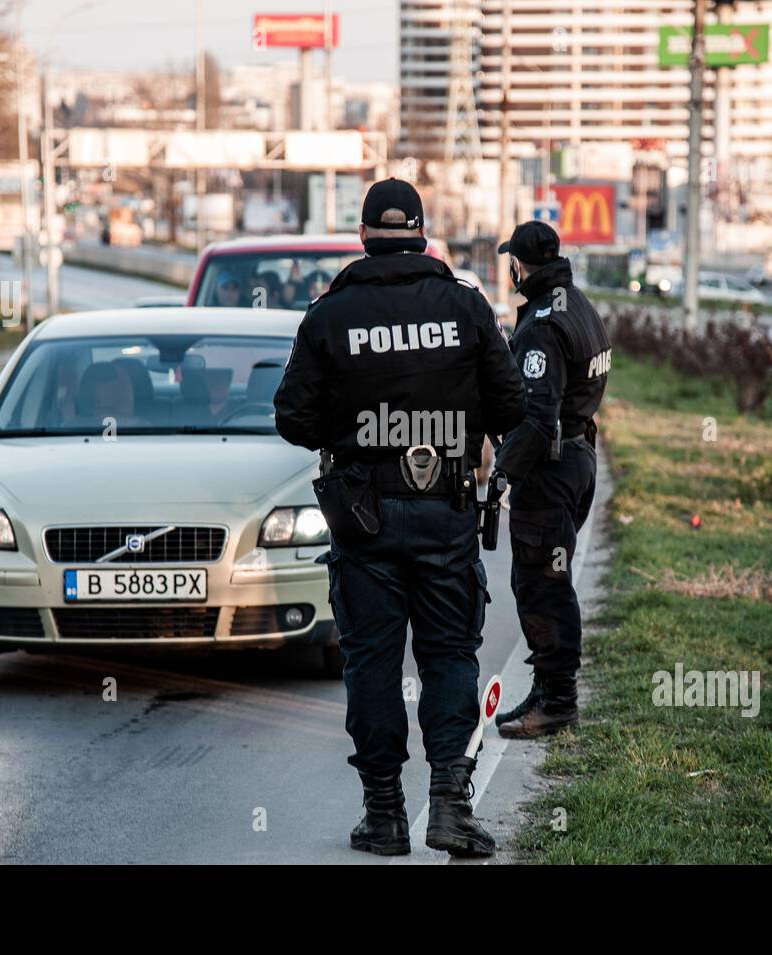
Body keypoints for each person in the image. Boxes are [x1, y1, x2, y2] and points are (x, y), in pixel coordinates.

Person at [274, 179, 527, 857]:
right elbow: (510, 409)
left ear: (363, 237)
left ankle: (384, 815)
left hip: (364, 517)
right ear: (422, 234)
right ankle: (450, 805)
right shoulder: (467, 307)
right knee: (449, 657)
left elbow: (292, 419)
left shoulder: (330, 315)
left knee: (373, 662)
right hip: (445, 509)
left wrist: (352, 428)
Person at [493, 220, 611, 738]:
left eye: (511, 263)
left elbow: (539, 419)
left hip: (551, 468)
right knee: (546, 578)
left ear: (520, 265)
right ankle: (548, 690)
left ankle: (558, 701)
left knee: (542, 584)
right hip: (580, 455)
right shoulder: (577, 303)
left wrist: (501, 472)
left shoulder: (542, 322)